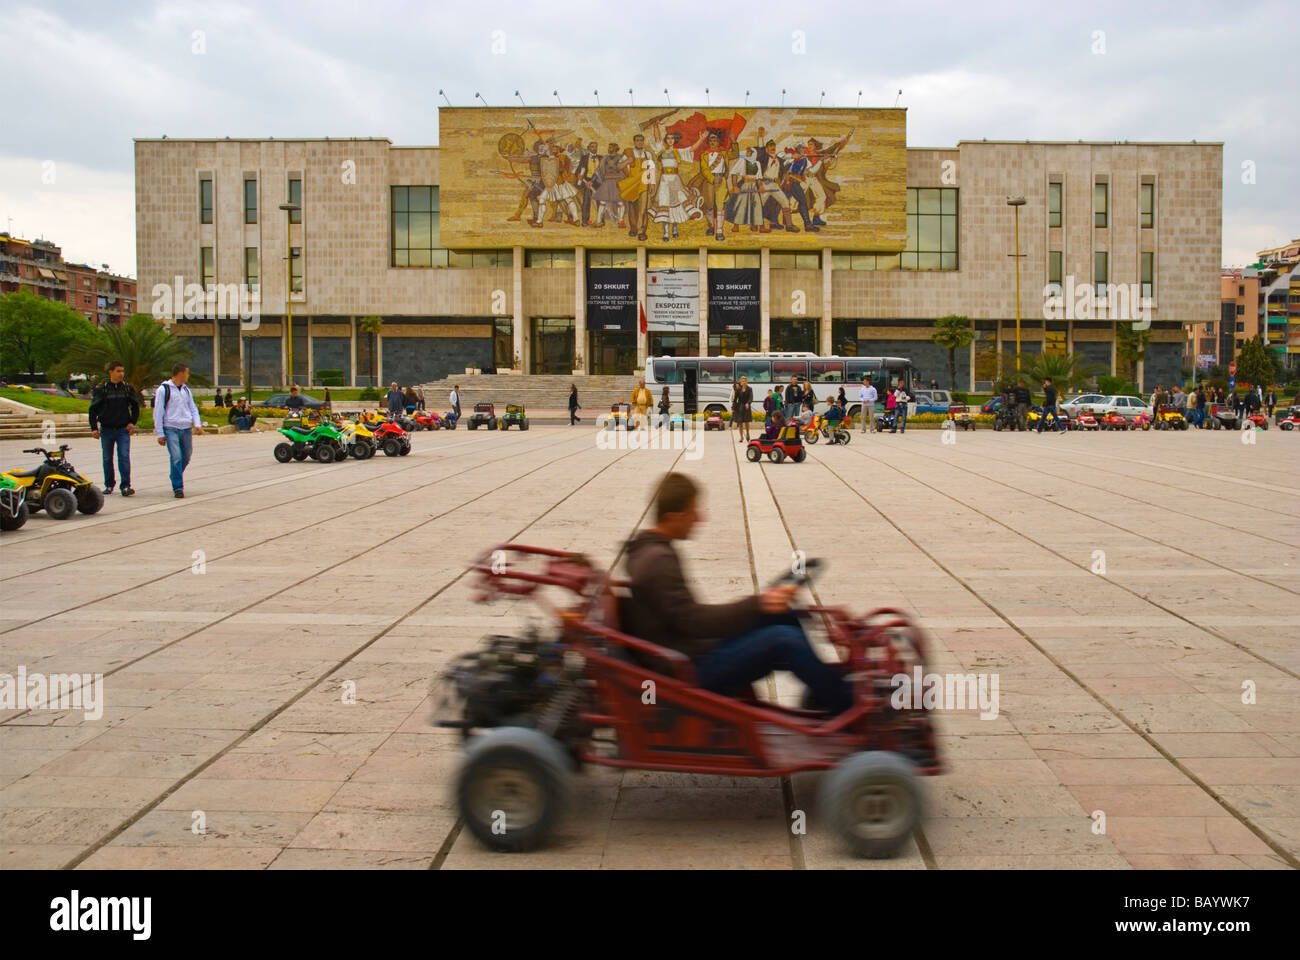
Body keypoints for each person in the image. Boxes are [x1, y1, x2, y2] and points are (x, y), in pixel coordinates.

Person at [623, 473, 853, 714]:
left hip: (690, 647)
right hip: (688, 670)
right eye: (693, 512)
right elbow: (695, 621)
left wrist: (762, 605)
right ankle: (847, 708)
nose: (701, 518)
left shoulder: (649, 550)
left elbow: (689, 620)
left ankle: (825, 691)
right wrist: (757, 604)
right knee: (783, 641)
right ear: (673, 518)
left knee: (783, 616)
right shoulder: (658, 562)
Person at [88, 360, 139, 497]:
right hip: (107, 429)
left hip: (123, 429)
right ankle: (109, 485)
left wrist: (132, 422)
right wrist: (94, 428)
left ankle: (126, 486)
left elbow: (135, 406)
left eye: (122, 371)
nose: (121, 374)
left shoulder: (127, 389)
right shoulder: (102, 389)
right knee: (107, 458)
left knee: (123, 456)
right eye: (118, 371)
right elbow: (93, 409)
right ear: (111, 372)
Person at [153, 362, 204, 498]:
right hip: (171, 428)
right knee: (176, 456)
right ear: (180, 373)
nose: (188, 375)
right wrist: (160, 433)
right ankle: (178, 487)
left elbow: (192, 408)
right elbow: (158, 411)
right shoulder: (164, 390)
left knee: (186, 457)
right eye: (187, 373)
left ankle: (175, 474)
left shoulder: (186, 390)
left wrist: (197, 424)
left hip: (185, 428)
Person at [735, 376, 753, 443]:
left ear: (746, 381)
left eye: (745, 381)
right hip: (740, 407)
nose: (743, 382)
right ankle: (741, 437)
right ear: (741, 382)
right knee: (740, 423)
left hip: (747, 407)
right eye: (742, 381)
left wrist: (748, 403)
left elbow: (751, 398)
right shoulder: (738, 389)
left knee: (746, 422)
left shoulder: (750, 389)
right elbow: (735, 399)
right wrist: (734, 407)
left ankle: (748, 433)